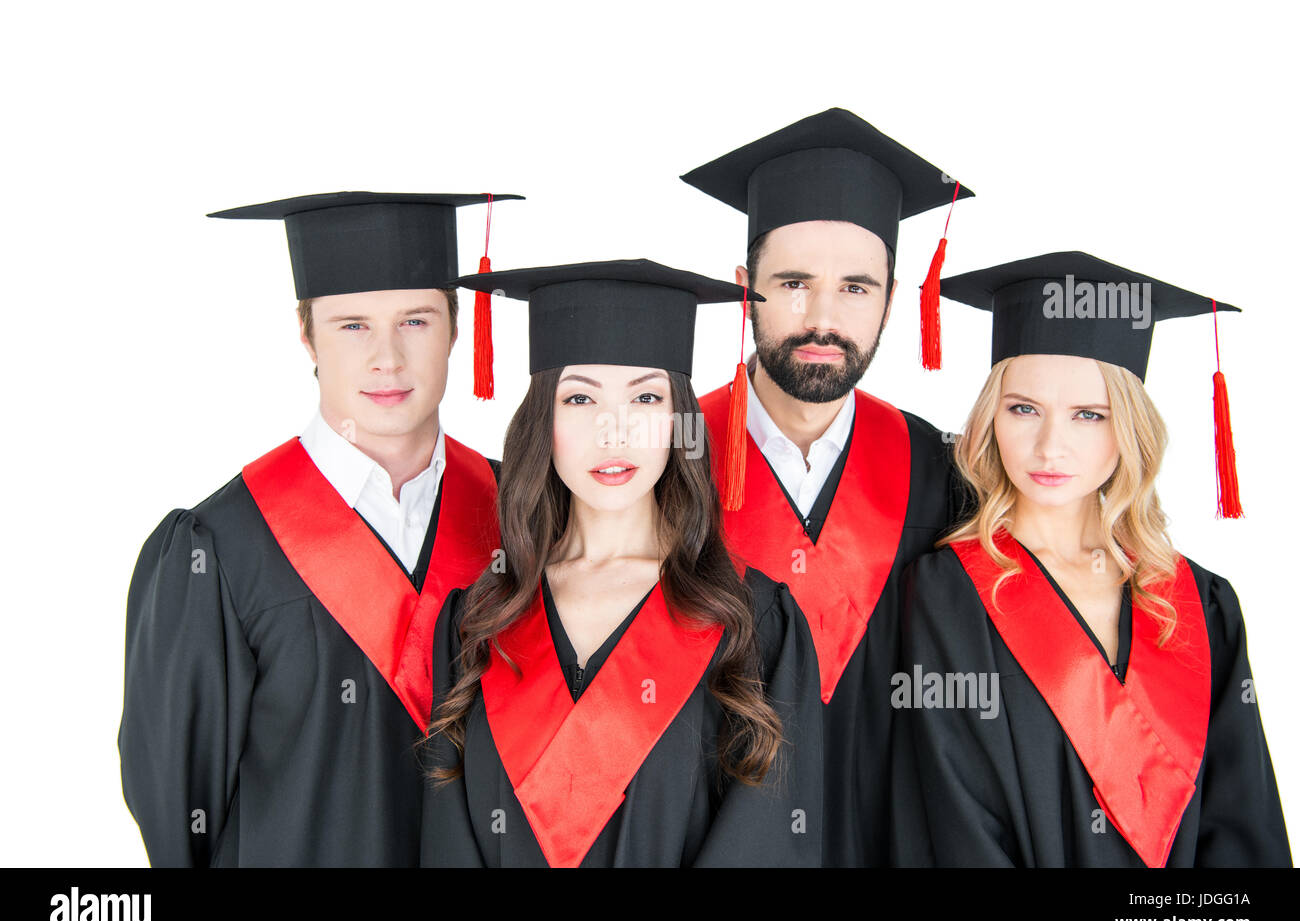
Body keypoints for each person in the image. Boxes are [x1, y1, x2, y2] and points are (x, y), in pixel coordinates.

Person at [119, 190, 520, 866]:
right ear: (306, 334)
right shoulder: (220, 548)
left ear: (457, 327)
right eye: (352, 325)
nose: (387, 358)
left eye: (416, 321)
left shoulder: (527, 516)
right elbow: (178, 811)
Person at [419, 259, 824, 867]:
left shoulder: (754, 623)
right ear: (542, 422)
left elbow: (765, 845)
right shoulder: (478, 619)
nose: (614, 432)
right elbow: (448, 841)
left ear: (679, 422)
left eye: (646, 397)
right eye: (580, 397)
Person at [892, 251, 1291, 866]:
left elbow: (1243, 825)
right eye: (1023, 408)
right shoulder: (945, 596)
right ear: (991, 416)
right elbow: (950, 821)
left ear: (1129, 427)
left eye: (1088, 415)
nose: (1051, 445)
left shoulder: (1200, 603)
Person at [680, 107, 974, 865]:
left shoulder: (943, 473)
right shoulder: (665, 462)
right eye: (792, 282)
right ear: (745, 288)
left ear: (890, 296)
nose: (823, 317)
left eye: (854, 287)